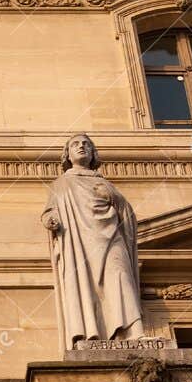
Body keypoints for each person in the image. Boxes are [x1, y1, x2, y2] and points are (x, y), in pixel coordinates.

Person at [41, 134, 143, 353]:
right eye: (75, 144)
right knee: (84, 285)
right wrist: (51, 220)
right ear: (67, 154)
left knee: (121, 275)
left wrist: (114, 197)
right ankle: (92, 333)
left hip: (111, 238)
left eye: (86, 144)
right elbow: (51, 210)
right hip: (79, 243)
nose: (81, 146)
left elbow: (128, 216)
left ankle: (133, 330)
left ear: (93, 152)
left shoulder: (105, 183)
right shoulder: (61, 184)